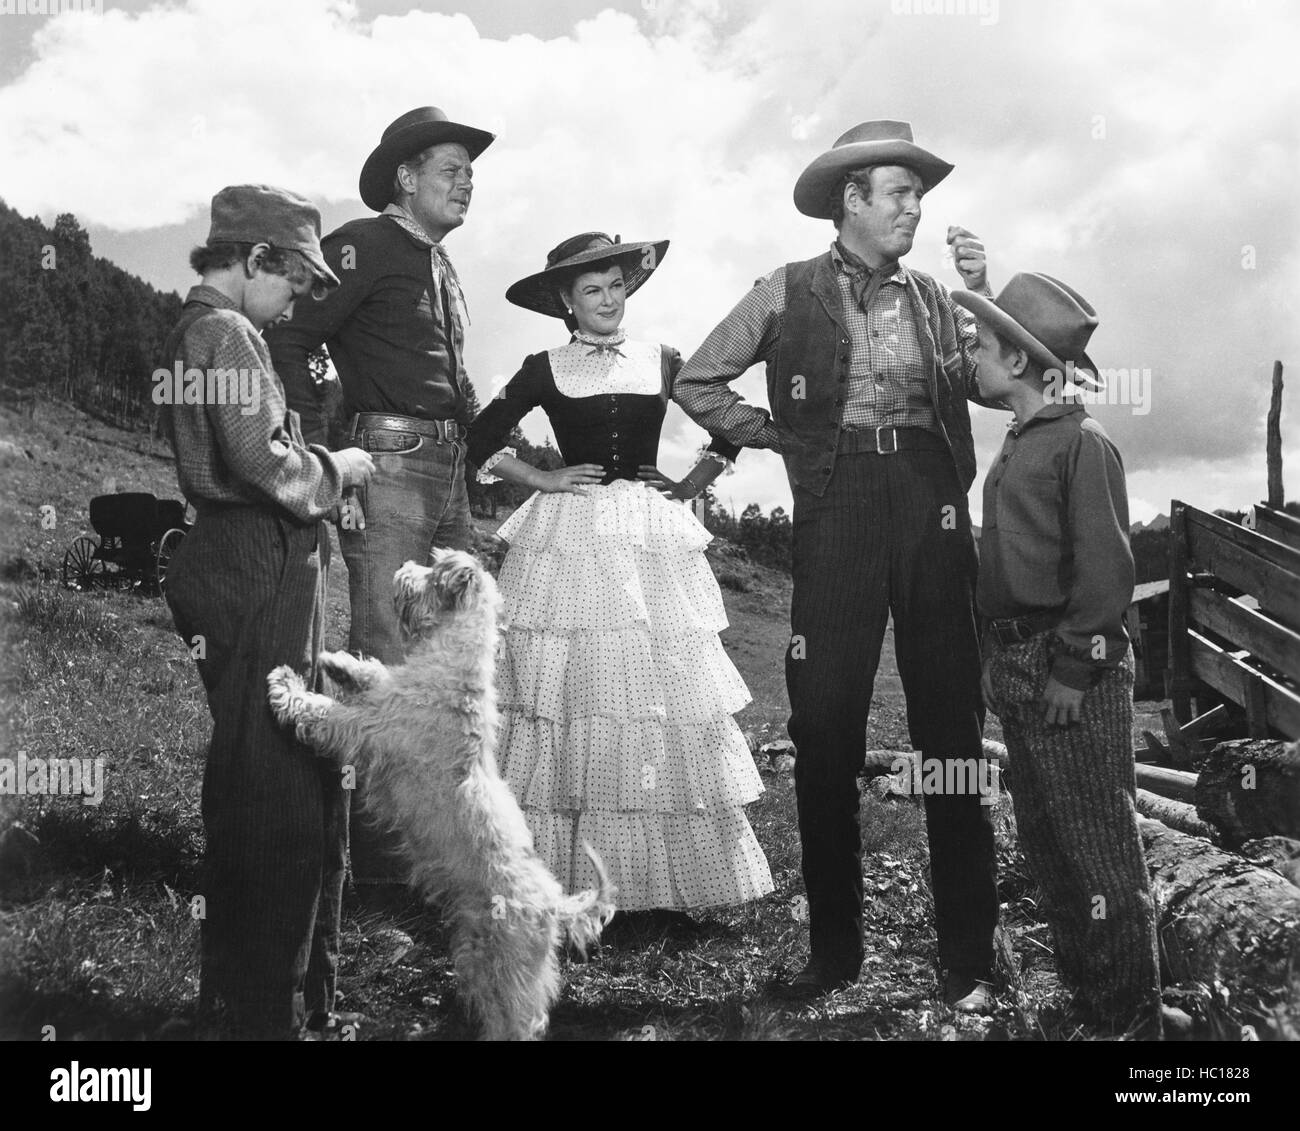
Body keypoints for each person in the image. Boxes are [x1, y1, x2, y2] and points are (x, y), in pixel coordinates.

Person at [674, 121, 1000, 1008]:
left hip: (931, 500)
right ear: (852, 198)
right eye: (900, 192)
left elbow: (1000, 378)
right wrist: (785, 437)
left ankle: (971, 952)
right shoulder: (784, 291)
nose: (915, 207)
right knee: (824, 726)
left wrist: (985, 293)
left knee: (952, 729)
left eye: (919, 195)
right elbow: (698, 379)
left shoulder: (935, 298)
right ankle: (833, 954)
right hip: (837, 501)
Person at [465, 232, 774, 919]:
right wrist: (541, 475)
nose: (608, 300)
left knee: (655, 700)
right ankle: (566, 888)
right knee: (574, 697)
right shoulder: (544, 366)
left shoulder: (662, 358)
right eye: (591, 291)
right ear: (568, 305)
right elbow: (481, 437)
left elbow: (726, 415)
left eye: (615, 285)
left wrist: (695, 476)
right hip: (572, 533)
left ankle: (659, 892)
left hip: (645, 534)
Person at [160, 184, 375, 1038]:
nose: (295, 303)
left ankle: (240, 1001)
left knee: (252, 777)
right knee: (278, 790)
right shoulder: (227, 331)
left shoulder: (192, 331)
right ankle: (259, 1015)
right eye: (292, 282)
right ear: (256, 260)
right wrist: (343, 467)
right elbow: (263, 461)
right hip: (258, 556)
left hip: (226, 558)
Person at [266, 106, 494, 893]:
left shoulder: (439, 264)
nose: (467, 182)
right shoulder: (362, 244)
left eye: (471, 171)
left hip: (448, 470)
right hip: (388, 467)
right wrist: (321, 459)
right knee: (380, 665)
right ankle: (373, 881)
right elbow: (289, 337)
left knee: (455, 663)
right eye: (450, 169)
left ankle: (443, 859)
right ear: (406, 176)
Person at [955, 273, 1163, 1034]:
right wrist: (976, 291)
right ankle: (1087, 995)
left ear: (1015, 360)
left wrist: (1076, 670)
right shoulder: (1026, 431)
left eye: (981, 345)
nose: (970, 357)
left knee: (1098, 845)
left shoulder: (1082, 443)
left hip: (1073, 667)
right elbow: (985, 372)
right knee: (1049, 840)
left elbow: (1107, 577)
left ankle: (1129, 1016)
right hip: (1017, 660)